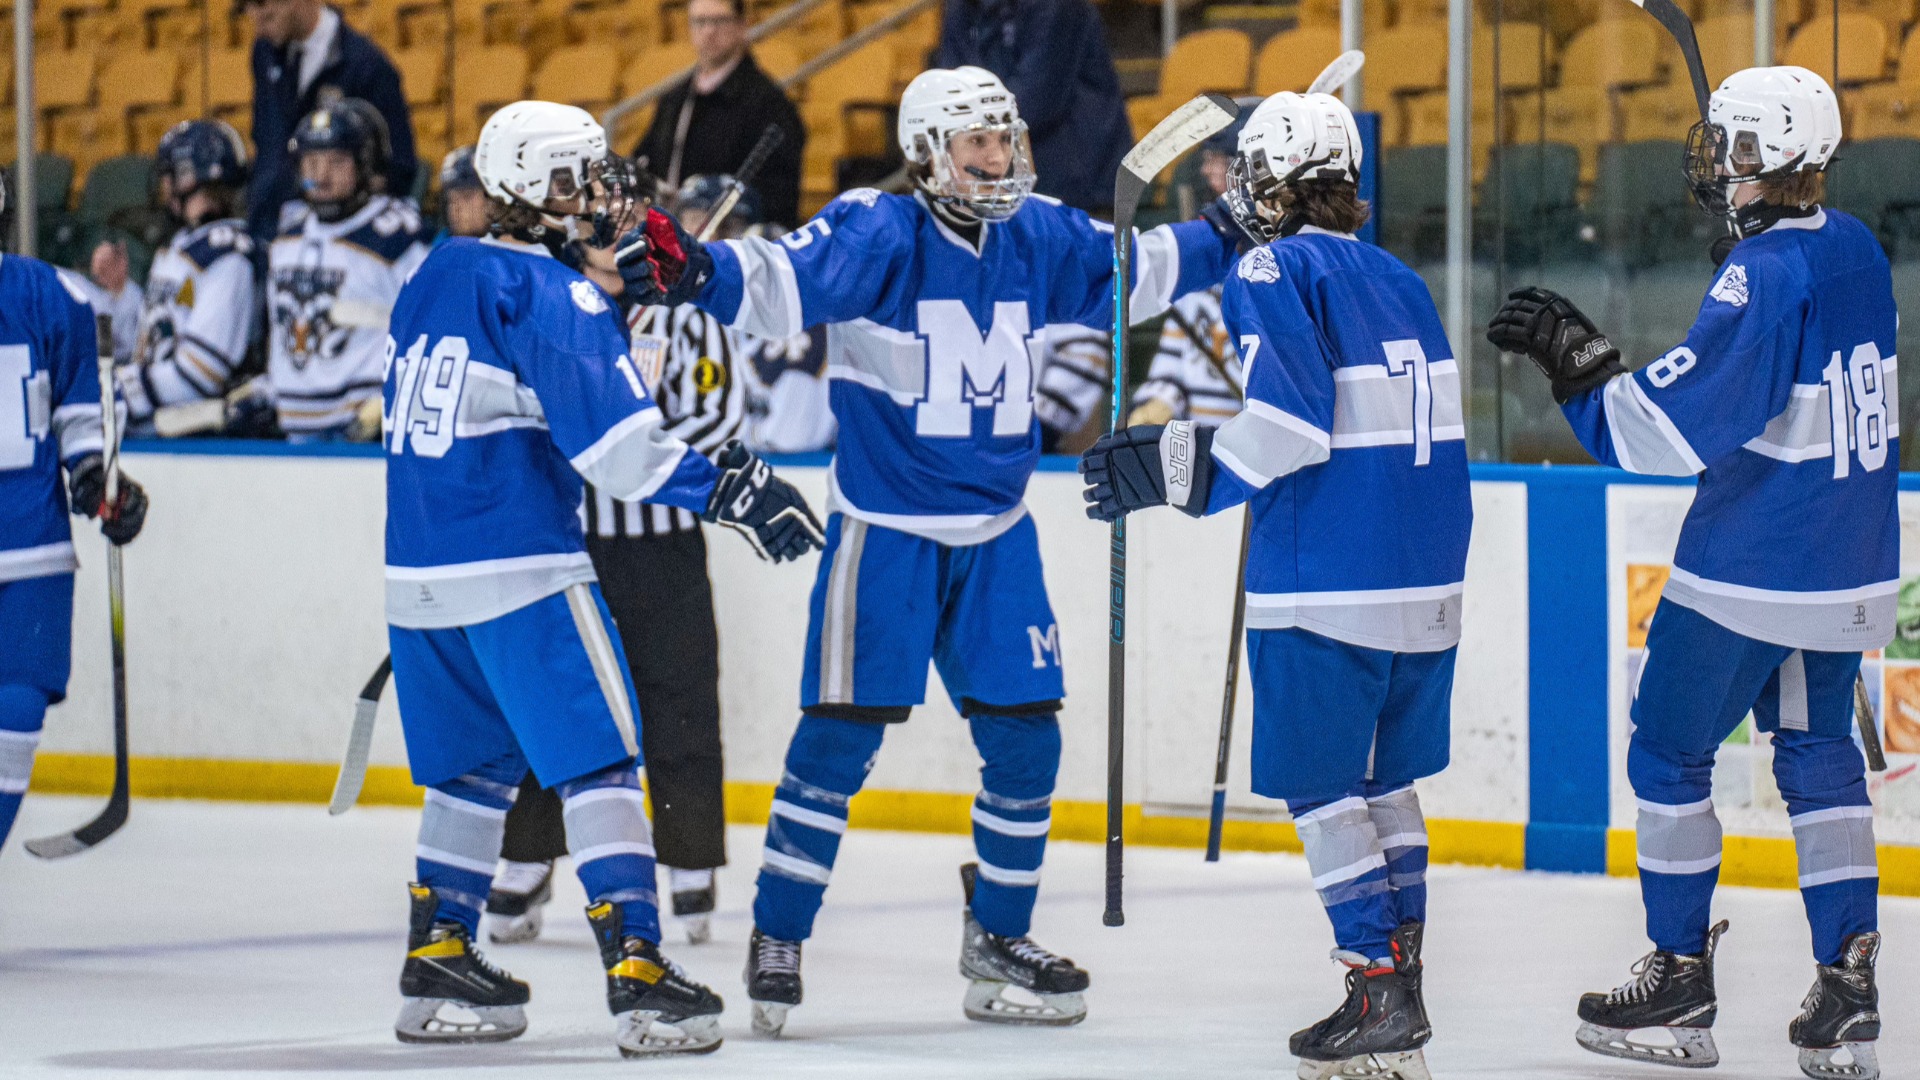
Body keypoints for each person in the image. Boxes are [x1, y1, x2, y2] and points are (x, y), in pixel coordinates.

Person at [618, 65, 1242, 1036]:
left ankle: (999, 936)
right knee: (838, 742)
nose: (1000, 157)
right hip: (886, 531)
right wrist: (702, 272)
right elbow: (782, 281)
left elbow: (1140, 266)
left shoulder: (1037, 233)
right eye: (977, 142)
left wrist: (1233, 230)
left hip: (997, 533)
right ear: (927, 154)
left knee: (1028, 740)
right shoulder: (881, 230)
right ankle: (778, 932)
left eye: (1005, 137)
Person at [380, 98, 822, 1057]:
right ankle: (638, 969)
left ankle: (439, 954)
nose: (595, 191)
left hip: (416, 574)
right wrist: (736, 490)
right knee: (603, 762)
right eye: (576, 176)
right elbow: (623, 453)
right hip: (521, 569)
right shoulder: (556, 294)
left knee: (474, 771)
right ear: (530, 186)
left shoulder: (436, 271)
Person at [1488, 66, 1892, 1080]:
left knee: (1669, 753)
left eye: (1736, 148)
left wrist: (1578, 366)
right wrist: (1750, 284)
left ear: (1775, 157)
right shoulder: (1855, 247)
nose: (1718, 164)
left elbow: (1658, 435)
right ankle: (1848, 988)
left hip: (1751, 567)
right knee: (1819, 758)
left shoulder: (1764, 275)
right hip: (1847, 563)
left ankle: (1678, 977)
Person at [1080, 90, 1466, 1080]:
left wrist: (1171, 468)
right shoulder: (1400, 277)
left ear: (1268, 184)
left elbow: (1291, 427)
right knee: (1385, 782)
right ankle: (1403, 987)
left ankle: (1378, 989)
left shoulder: (1267, 266)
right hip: (1428, 576)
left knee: (1321, 788)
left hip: (1328, 576)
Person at [484, 173, 755, 949]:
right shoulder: (552, 304)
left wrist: (627, 435)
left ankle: (688, 859)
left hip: (662, 546)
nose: (608, 233)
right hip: (569, 542)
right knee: (552, 700)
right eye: (596, 220)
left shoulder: (687, 313)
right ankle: (528, 855)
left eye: (623, 219)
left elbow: (718, 417)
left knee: (679, 697)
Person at [0, 179, 150, 855]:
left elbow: (81, 415)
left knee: (16, 711)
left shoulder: (48, 295)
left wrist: (96, 479)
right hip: (31, 545)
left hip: (30, 546)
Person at [268, 100, 428, 441]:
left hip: (366, 432)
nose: (320, 176)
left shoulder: (398, 237)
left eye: (336, 162)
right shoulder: (285, 239)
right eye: (311, 163)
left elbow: (429, 333)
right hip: (292, 431)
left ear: (365, 165)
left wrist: (393, 401)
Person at [120, 120, 257, 436]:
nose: (164, 187)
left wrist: (119, 392)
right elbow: (153, 338)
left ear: (190, 178)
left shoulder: (227, 256)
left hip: (201, 441)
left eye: (170, 176)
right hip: (154, 431)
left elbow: (200, 375)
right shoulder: (182, 244)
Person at [245, 0, 417, 248]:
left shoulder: (369, 68)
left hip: (336, 241)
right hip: (266, 229)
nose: (258, 27)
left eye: (267, 15)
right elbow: (266, 142)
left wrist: (333, 202)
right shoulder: (264, 53)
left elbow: (398, 166)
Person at [932, 0, 1130, 214]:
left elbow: (1036, 100)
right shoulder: (961, 7)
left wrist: (967, 129)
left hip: (1079, 190)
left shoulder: (1058, 6)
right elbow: (950, 88)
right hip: (1005, 189)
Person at [630, 0, 804, 228]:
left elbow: (779, 194)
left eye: (720, 21)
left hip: (730, 239)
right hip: (672, 232)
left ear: (742, 25)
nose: (709, 31)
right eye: (700, 22)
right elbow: (646, 161)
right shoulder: (675, 98)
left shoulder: (770, 104)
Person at [1127, 117, 1248, 429]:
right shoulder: (1199, 266)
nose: (1205, 170)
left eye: (1215, 159)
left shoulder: (1277, 271)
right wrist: (1157, 403)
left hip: (1260, 447)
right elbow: (1172, 365)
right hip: (1201, 445)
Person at [436, 146, 490, 240]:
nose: (456, 208)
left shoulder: (513, 244)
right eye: (450, 201)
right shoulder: (442, 244)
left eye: (467, 196)